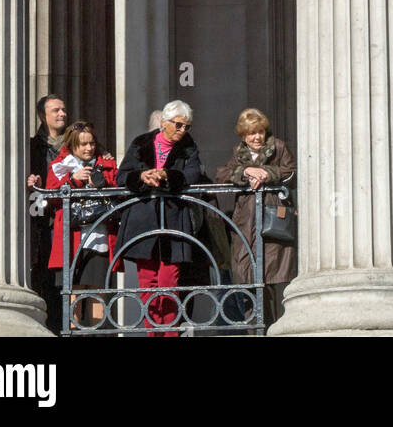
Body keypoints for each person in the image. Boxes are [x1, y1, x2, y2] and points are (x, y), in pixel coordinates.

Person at [115, 99, 203, 336]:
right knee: (147, 283)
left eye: (187, 126)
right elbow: (122, 176)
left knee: (169, 281)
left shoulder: (189, 147)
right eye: (178, 125)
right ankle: (152, 333)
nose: (182, 130)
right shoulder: (141, 143)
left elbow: (194, 174)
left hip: (173, 220)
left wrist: (168, 175)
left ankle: (170, 333)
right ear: (164, 122)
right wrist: (143, 176)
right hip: (143, 220)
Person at [216, 107, 296, 329]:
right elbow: (221, 174)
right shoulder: (239, 152)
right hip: (245, 221)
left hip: (272, 217)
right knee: (247, 276)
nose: (257, 137)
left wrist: (267, 173)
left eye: (260, 132)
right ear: (243, 135)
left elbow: (291, 171)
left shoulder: (277, 147)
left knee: (272, 276)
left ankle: (277, 328)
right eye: (252, 133)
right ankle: (255, 328)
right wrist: (246, 171)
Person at [46, 121, 118, 328]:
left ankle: (97, 333)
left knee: (97, 293)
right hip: (72, 240)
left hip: (100, 238)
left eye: (92, 143)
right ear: (72, 145)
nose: (89, 148)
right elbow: (52, 195)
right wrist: (73, 179)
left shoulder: (106, 164)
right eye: (83, 144)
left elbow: (118, 188)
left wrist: (103, 180)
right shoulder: (61, 165)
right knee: (73, 295)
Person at [27, 94, 68, 334]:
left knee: (67, 279)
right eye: (56, 110)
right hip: (42, 219)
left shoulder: (73, 143)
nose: (62, 114)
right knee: (45, 276)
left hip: (67, 219)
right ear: (43, 116)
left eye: (63, 110)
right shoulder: (33, 146)